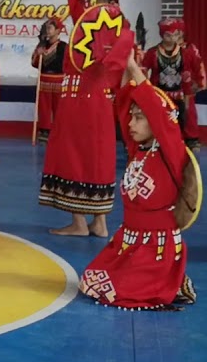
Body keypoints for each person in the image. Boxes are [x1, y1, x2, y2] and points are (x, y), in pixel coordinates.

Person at [79, 51, 197, 310]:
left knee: (119, 293)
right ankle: (169, 281)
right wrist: (123, 70)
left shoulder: (171, 150)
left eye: (140, 118)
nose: (131, 123)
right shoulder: (138, 150)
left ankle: (168, 278)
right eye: (133, 117)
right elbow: (123, 107)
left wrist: (133, 66)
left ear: (157, 123)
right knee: (91, 282)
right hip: (128, 243)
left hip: (155, 248)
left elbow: (156, 109)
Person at [38, 0, 127, 237]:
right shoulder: (119, 17)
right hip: (103, 96)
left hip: (78, 95)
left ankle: (78, 223)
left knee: (73, 153)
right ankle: (100, 222)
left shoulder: (84, 14)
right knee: (100, 154)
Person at [142, 18, 207, 148]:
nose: (172, 37)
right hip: (160, 94)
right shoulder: (152, 53)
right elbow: (143, 71)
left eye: (176, 34)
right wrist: (145, 90)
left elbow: (197, 67)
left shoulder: (187, 52)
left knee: (185, 118)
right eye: (168, 34)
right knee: (159, 121)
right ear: (162, 35)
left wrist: (199, 83)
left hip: (182, 94)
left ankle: (188, 140)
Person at [30, 18, 66, 142]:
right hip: (44, 80)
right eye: (47, 28)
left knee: (58, 106)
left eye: (50, 28)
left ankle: (58, 130)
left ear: (58, 31)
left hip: (58, 81)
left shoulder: (63, 47)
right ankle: (44, 130)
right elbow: (34, 63)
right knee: (44, 107)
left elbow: (65, 65)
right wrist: (38, 54)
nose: (48, 31)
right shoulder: (42, 46)